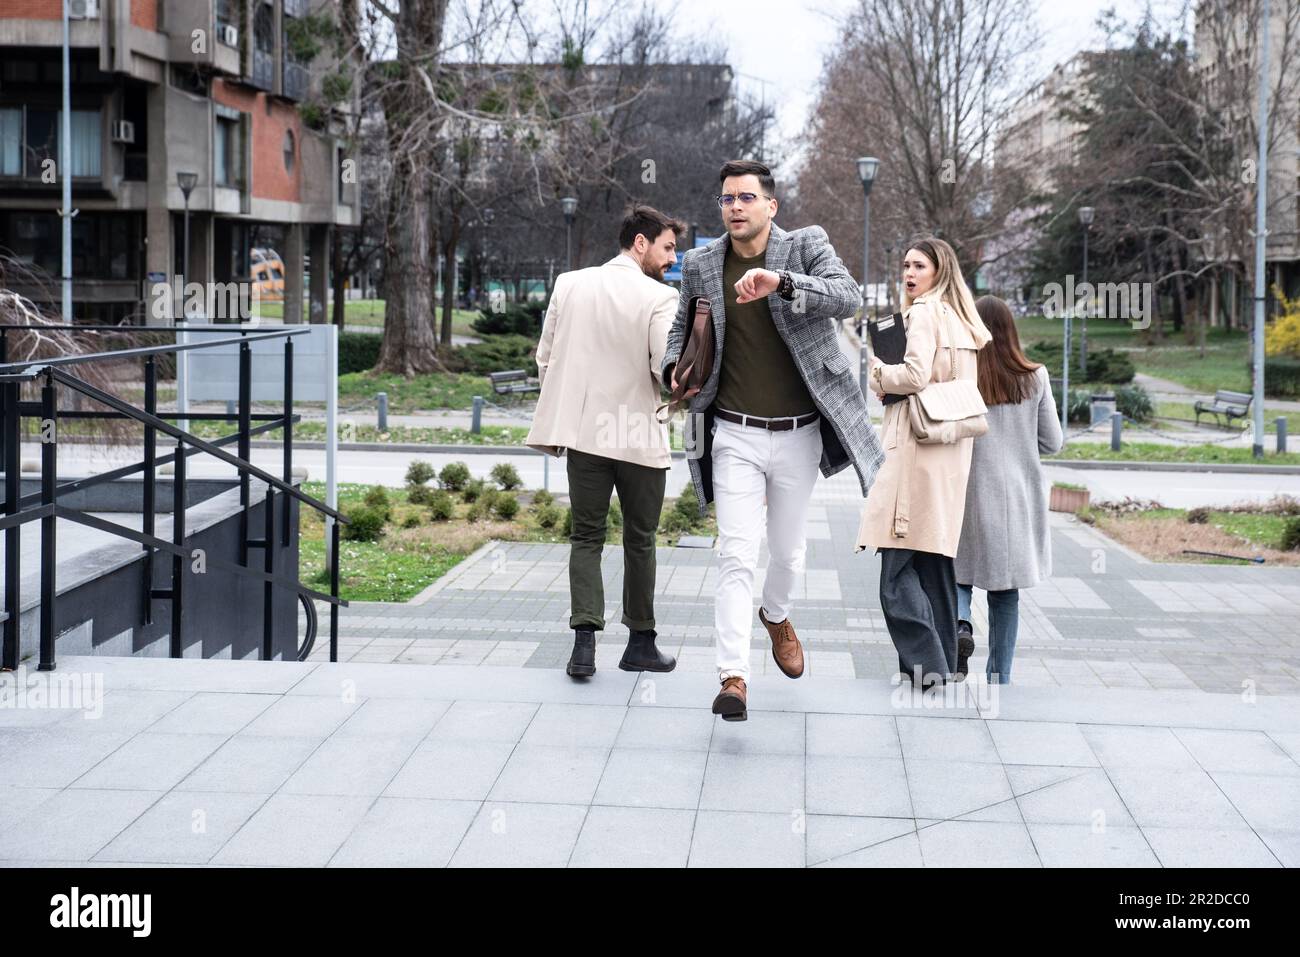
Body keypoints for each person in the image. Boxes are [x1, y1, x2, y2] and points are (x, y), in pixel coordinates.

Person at [664, 159, 884, 721]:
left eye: (745, 198)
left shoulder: (805, 246)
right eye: (726, 199)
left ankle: (776, 615)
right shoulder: (701, 263)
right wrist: (672, 365)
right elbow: (681, 326)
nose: (734, 207)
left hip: (799, 433)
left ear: (771, 205)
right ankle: (733, 677)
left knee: (787, 554)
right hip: (732, 432)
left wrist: (781, 283)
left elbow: (847, 296)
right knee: (736, 553)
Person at [526, 203, 684, 678]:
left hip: (586, 437)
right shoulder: (660, 298)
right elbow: (665, 366)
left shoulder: (569, 284)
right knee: (641, 540)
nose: (673, 259)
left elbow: (545, 359)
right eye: (668, 247)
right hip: (637, 435)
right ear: (641, 242)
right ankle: (640, 643)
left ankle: (583, 649)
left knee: (586, 538)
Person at [855, 237, 991, 688]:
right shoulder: (962, 320)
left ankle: (927, 664)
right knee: (932, 561)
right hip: (946, 453)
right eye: (906, 266)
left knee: (894, 571)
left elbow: (912, 376)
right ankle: (947, 662)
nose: (909, 274)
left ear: (939, 271)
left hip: (914, 450)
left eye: (919, 266)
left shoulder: (926, 313)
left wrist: (878, 373)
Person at [954, 295, 1063, 683]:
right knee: (1005, 593)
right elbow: (1052, 442)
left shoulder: (960, 375)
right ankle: (999, 677)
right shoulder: (1035, 376)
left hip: (964, 493)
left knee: (957, 576)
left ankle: (961, 627)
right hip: (1016, 499)